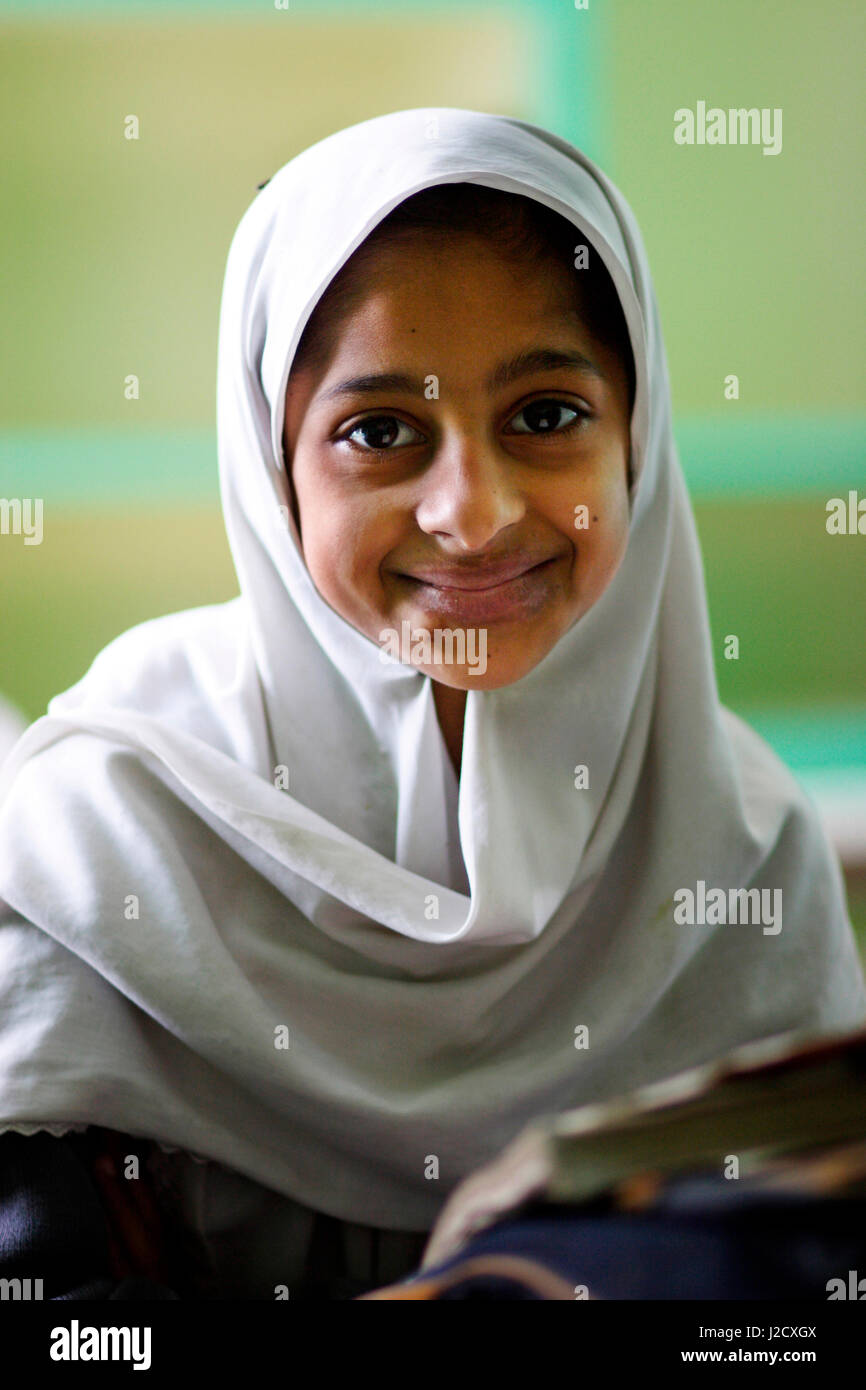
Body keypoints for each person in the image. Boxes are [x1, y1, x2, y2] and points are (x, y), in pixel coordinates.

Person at [0, 107, 863, 1301]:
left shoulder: (742, 842)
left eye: (547, 415)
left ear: (636, 437)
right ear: (271, 467)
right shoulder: (92, 839)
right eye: (379, 432)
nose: (475, 510)